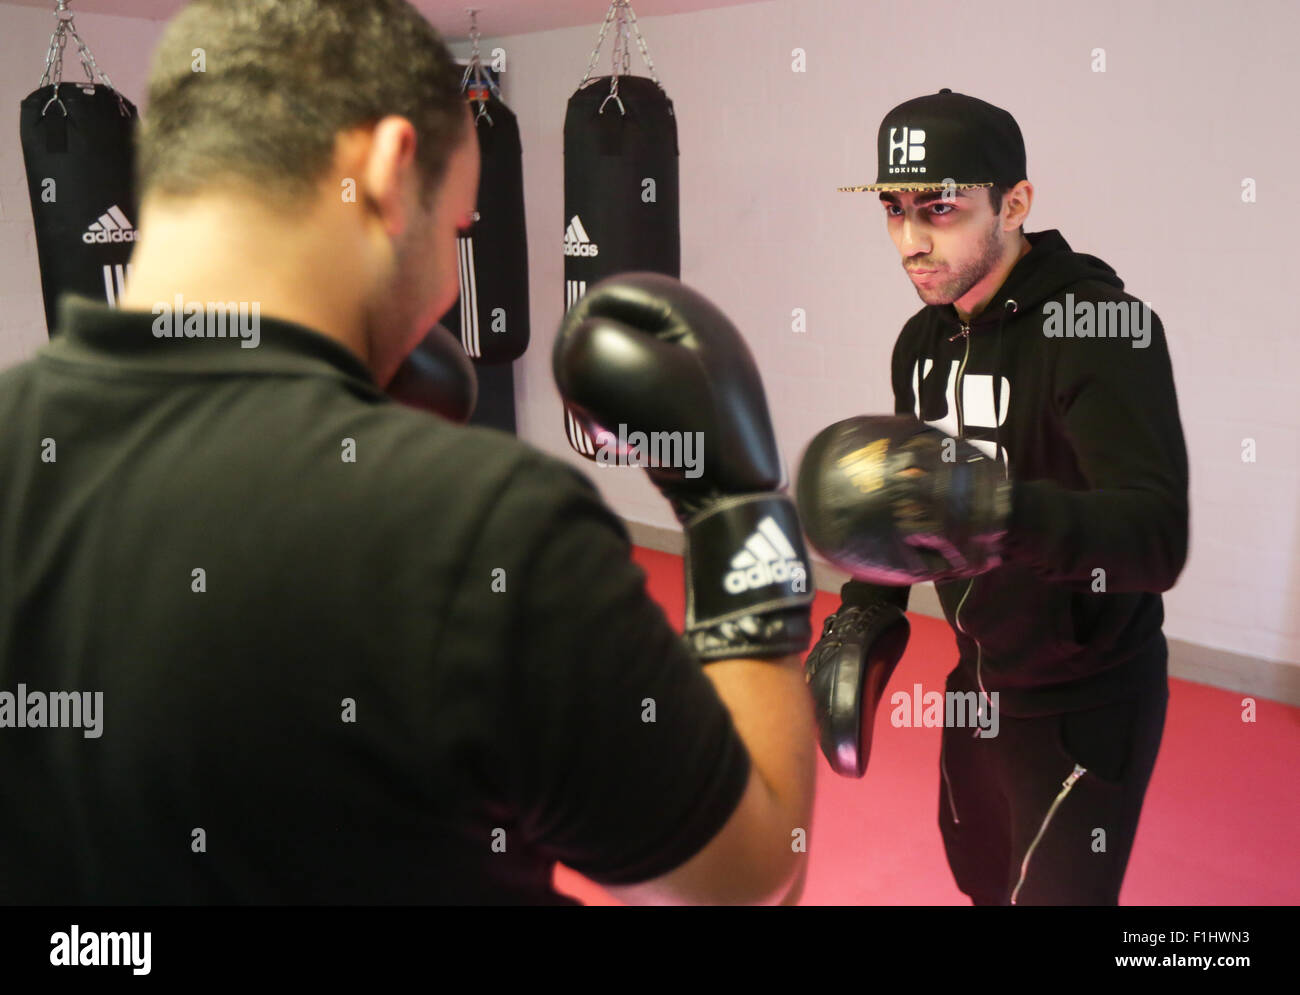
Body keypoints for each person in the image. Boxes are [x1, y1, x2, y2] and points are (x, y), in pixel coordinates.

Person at [0, 0, 815, 906]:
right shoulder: (489, 526)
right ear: (388, 171)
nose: (445, 281)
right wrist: (737, 511)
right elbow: (738, 882)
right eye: (460, 227)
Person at [800, 89, 1189, 905]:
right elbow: (908, 495)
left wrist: (994, 511)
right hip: (977, 684)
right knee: (981, 883)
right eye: (895, 209)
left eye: (940, 209)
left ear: (1014, 204)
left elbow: (1154, 536)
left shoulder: (1101, 329)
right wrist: (866, 608)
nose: (911, 241)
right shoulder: (923, 337)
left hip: (1088, 695)